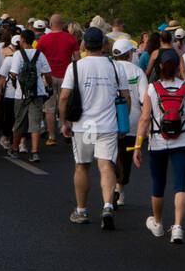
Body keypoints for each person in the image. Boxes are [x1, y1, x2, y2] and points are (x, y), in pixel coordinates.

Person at [60, 26, 130, 229]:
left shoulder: (76, 67)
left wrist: (64, 122)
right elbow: (126, 97)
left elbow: (64, 96)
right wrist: (122, 124)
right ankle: (108, 205)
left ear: (84, 44)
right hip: (108, 124)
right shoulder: (116, 67)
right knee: (106, 165)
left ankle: (81, 210)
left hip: (84, 125)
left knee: (82, 166)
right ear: (104, 44)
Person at [133, 48, 185, 242]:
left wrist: (137, 146)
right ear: (178, 67)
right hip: (183, 140)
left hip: (157, 142)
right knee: (180, 184)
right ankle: (177, 227)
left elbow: (144, 119)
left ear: (160, 66)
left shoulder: (152, 89)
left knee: (158, 184)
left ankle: (159, 223)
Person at [112, 36, 148, 209]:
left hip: (111, 119)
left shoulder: (109, 68)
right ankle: (120, 188)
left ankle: (112, 187)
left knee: (111, 155)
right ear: (129, 54)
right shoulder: (137, 71)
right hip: (133, 122)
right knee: (126, 156)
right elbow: (144, 99)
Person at [9, 28, 52, 162]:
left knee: (19, 122)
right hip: (37, 92)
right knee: (35, 123)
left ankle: (15, 149)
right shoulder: (39, 54)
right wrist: (49, 86)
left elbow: (14, 73)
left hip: (21, 93)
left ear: (22, 40)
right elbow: (47, 73)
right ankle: (34, 152)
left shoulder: (17, 55)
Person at [36, 13, 80, 145]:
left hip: (49, 76)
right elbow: (77, 59)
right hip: (67, 77)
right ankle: (67, 130)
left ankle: (51, 136)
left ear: (50, 25)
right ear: (63, 25)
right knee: (66, 104)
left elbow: (37, 58)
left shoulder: (43, 39)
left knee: (49, 107)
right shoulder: (71, 39)